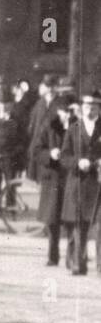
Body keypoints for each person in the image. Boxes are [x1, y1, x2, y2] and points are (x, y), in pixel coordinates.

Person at [60, 90, 101, 276]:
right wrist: (77, 162)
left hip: (99, 184)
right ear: (82, 107)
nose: (90, 109)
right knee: (79, 226)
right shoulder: (73, 129)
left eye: (94, 105)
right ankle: (78, 263)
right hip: (78, 183)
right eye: (87, 105)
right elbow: (64, 156)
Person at [32, 89, 74, 267]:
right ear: (59, 111)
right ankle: (53, 255)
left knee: (72, 218)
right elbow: (36, 150)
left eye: (71, 112)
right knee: (52, 220)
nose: (67, 115)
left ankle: (73, 256)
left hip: (71, 177)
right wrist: (50, 153)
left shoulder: (78, 127)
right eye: (65, 111)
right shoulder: (49, 125)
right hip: (54, 179)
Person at [0, 96, 26, 218]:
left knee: (10, 185)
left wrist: (13, 153)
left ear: (11, 105)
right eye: (1, 103)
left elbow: (23, 141)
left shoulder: (17, 121)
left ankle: (10, 210)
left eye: (6, 103)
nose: (3, 106)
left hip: (10, 158)